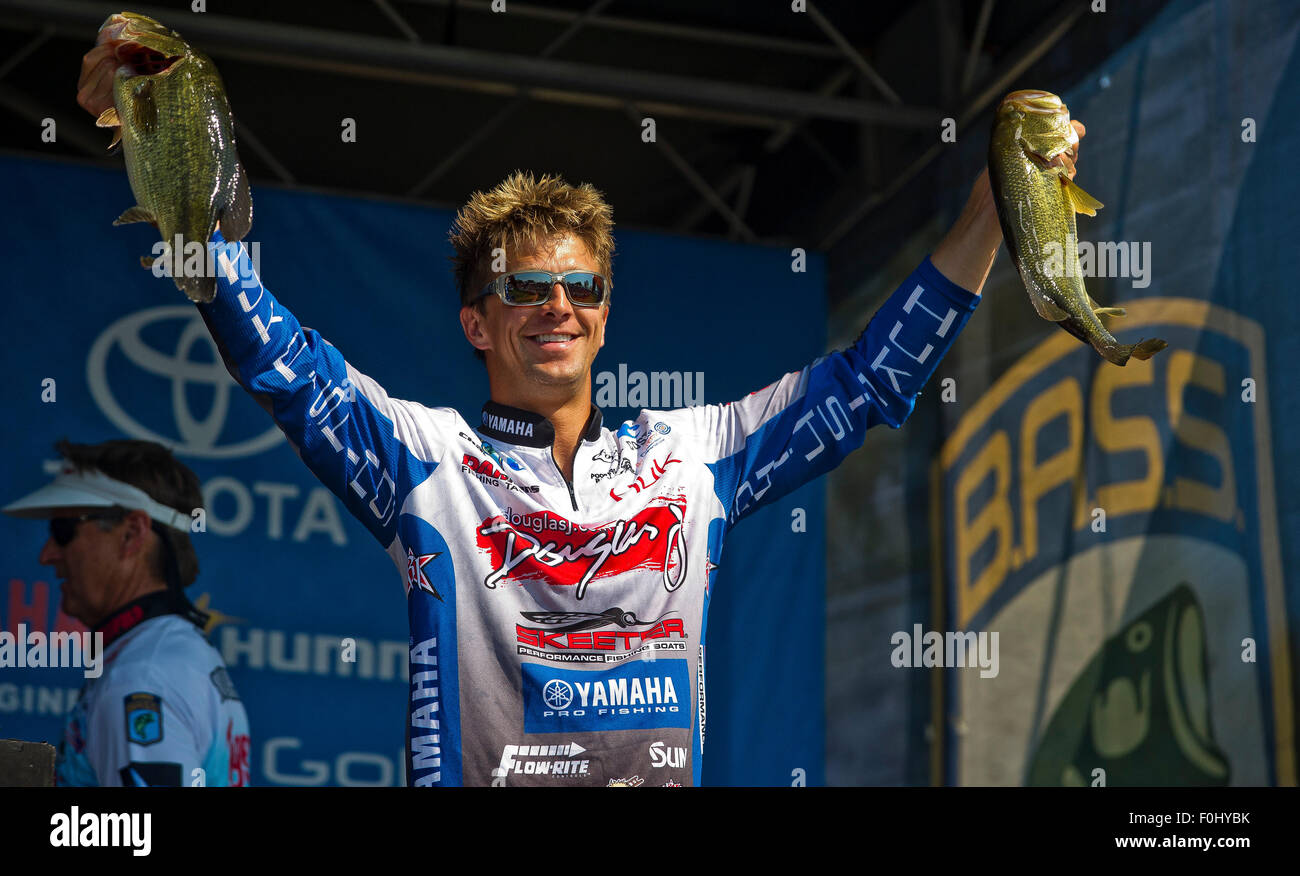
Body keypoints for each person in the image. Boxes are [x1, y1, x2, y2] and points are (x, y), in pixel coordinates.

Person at [76, 43, 1083, 786]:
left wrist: (994, 207)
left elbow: (869, 382)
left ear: (603, 316)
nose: (557, 303)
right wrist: (164, 118)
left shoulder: (694, 456)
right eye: (526, 287)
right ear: (476, 321)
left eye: (581, 286)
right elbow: (280, 363)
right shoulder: (425, 458)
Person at [3, 439, 251, 787]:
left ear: (132, 534)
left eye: (63, 532)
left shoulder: (144, 675)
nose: (47, 554)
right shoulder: (170, 652)